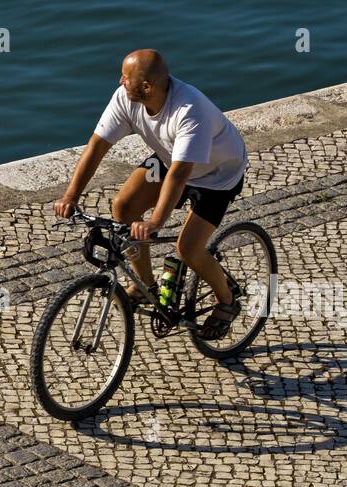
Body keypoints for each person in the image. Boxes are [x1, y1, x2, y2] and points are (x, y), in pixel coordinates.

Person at [54, 49, 248, 339]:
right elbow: (96, 147)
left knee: (189, 249)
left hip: (216, 176)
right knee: (123, 207)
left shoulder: (189, 110)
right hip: (171, 159)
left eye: (126, 77)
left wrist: (156, 221)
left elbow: (181, 175)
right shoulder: (126, 97)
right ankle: (146, 286)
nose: (120, 81)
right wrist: (71, 195)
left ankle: (227, 301)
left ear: (147, 86)